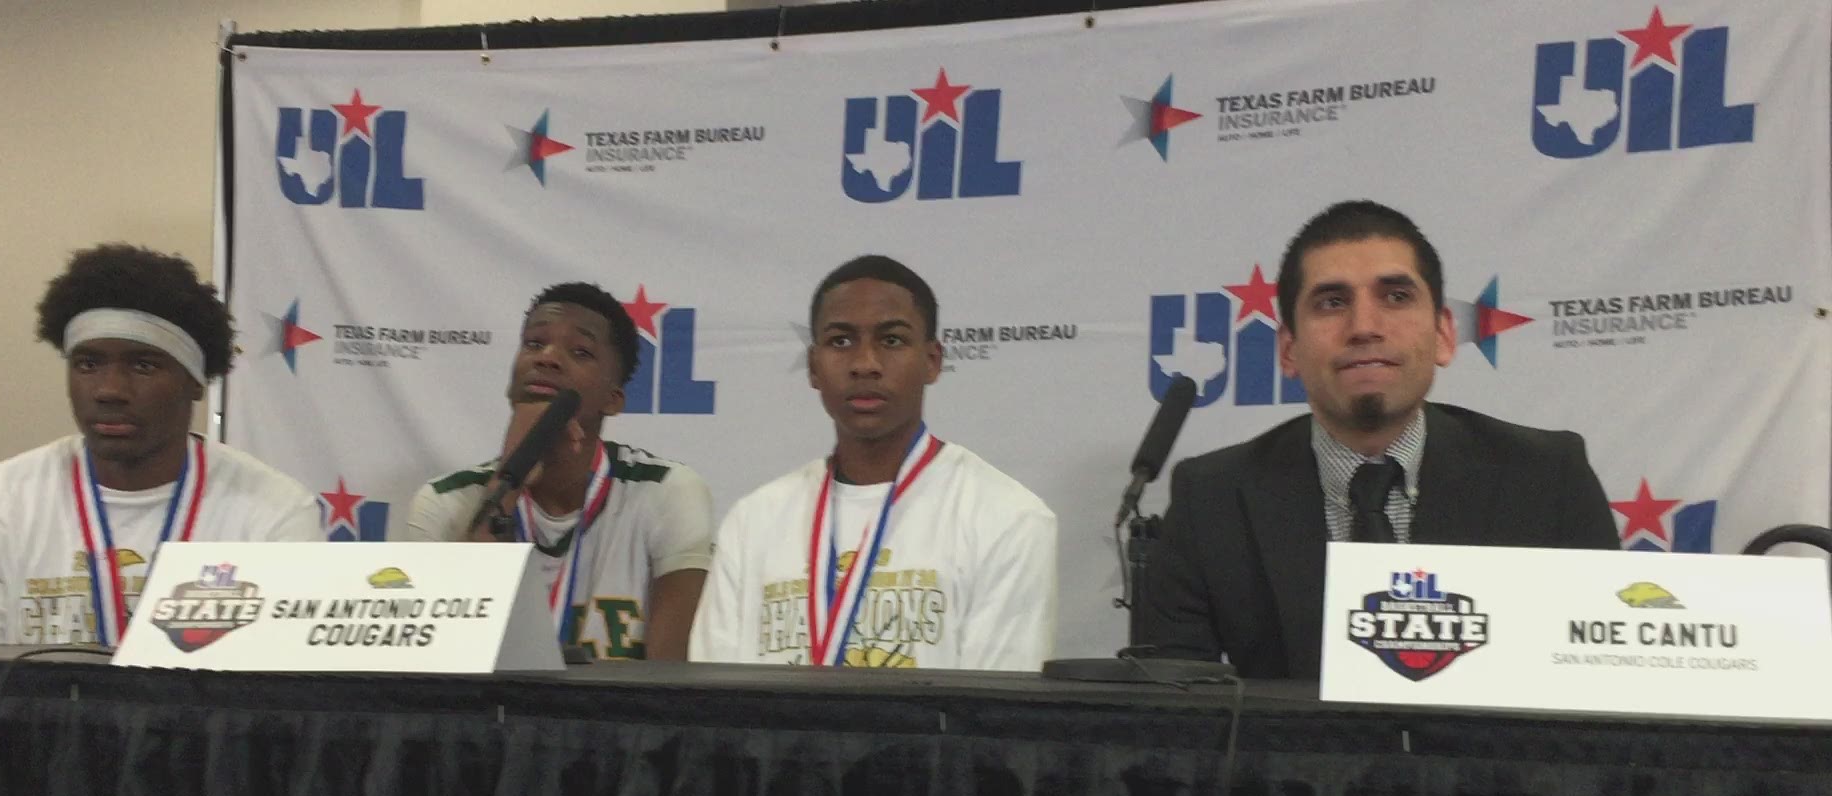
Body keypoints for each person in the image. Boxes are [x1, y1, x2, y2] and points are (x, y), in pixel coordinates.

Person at [1140, 200, 1620, 679]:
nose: (1364, 327)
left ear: (1443, 337)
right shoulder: (1211, 498)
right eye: (1332, 302)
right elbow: (1170, 717)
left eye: (1395, 297)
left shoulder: (1548, 477)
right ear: (1289, 351)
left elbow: (1604, 684)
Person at [0, 244, 323, 645]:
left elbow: (286, 695)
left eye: (143, 365)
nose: (109, 390)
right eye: (88, 364)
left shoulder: (274, 513)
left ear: (196, 382)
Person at [689, 255, 1057, 670]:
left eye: (893, 340)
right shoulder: (753, 521)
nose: (865, 364)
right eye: (841, 341)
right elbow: (715, 707)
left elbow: (994, 719)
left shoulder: (1008, 517)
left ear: (932, 361)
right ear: (813, 367)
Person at [405, 282, 711, 661]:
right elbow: (437, 665)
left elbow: (675, 680)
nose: (547, 358)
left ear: (612, 400)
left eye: (581, 351)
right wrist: (507, 482)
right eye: (534, 343)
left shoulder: (664, 491)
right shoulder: (445, 501)